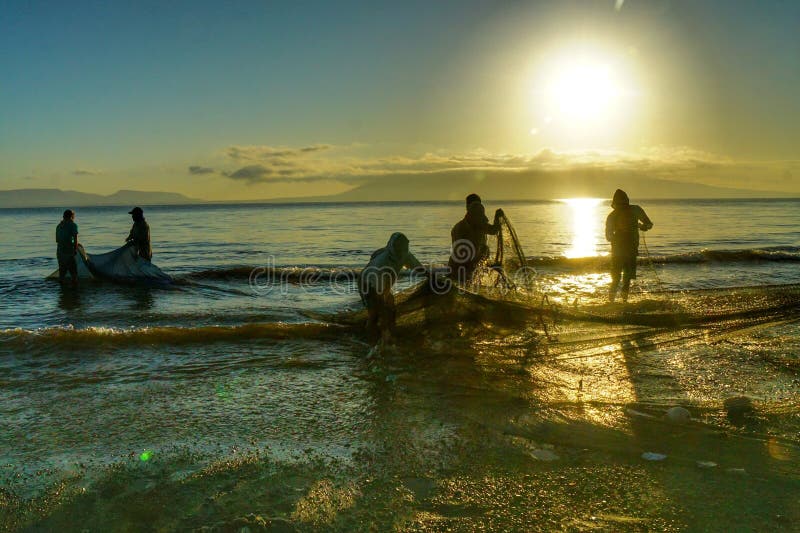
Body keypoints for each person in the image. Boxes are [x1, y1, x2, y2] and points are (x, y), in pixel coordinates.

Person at [359, 233, 423, 344]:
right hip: (367, 282)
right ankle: (371, 339)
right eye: (398, 247)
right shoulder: (382, 262)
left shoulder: (405, 254)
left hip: (384, 282)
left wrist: (433, 278)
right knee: (375, 313)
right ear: (393, 246)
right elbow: (377, 292)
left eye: (403, 247)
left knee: (391, 309)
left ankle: (390, 334)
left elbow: (419, 268)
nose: (400, 250)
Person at [605, 189, 653, 303]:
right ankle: (621, 302)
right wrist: (642, 226)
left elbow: (608, 236)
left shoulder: (612, 215)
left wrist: (642, 226)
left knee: (618, 279)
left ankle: (615, 302)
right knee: (623, 279)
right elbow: (649, 224)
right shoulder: (635, 209)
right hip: (628, 249)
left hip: (621, 250)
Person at [448, 194, 503, 284]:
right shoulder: (466, 225)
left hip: (457, 267)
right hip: (463, 268)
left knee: (485, 250)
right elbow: (494, 230)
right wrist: (497, 217)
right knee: (484, 250)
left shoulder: (458, 226)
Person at [55, 209, 79, 287]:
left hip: (60, 252)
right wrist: (75, 249)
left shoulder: (59, 226)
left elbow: (57, 240)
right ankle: (74, 294)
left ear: (64, 216)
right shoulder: (73, 225)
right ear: (72, 216)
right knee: (74, 273)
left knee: (62, 273)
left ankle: (62, 293)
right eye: (73, 216)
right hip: (69, 252)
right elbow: (75, 239)